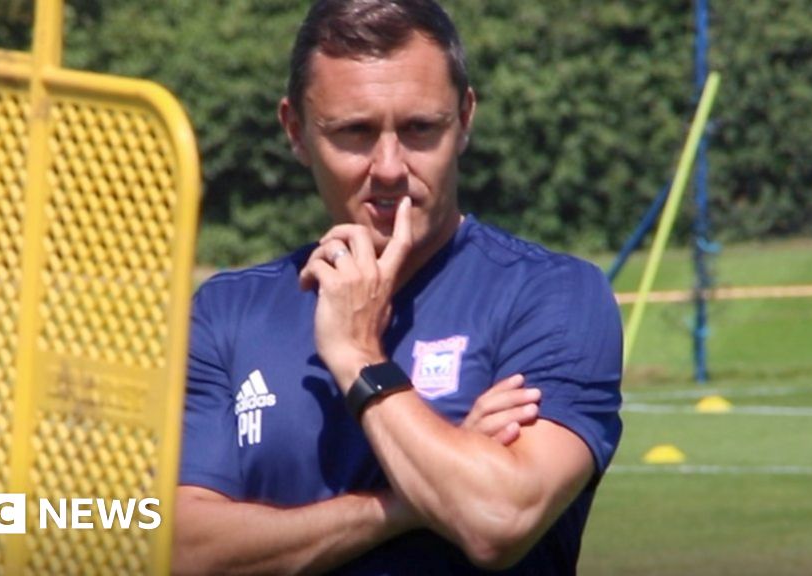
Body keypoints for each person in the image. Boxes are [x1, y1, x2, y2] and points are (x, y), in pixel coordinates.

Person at [172, 1, 623, 574]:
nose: (389, 167)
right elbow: (182, 550)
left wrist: (357, 355)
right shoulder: (226, 313)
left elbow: (498, 520)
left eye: (418, 129)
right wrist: (408, 501)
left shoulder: (553, 297)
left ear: (463, 118)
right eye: (355, 133)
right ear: (296, 132)